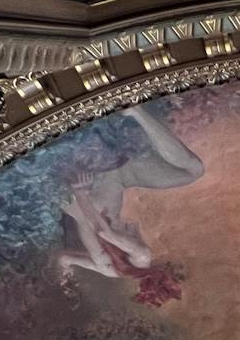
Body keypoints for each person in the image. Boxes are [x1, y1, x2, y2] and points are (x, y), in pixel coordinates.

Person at [55, 105, 204, 304]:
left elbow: (103, 232)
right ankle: (134, 114)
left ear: (161, 277)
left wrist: (81, 193)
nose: (176, 268)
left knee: (194, 170)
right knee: (191, 171)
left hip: (94, 192)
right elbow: (65, 259)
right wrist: (65, 279)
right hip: (75, 201)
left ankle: (135, 111)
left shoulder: (142, 257)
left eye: (176, 276)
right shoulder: (108, 271)